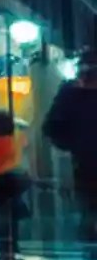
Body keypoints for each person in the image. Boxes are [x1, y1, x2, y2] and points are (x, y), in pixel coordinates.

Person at [44, 47, 97, 240]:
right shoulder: (70, 94)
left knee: (89, 210)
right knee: (89, 210)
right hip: (84, 162)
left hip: (84, 162)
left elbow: (52, 127)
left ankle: (90, 253)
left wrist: (74, 144)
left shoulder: (70, 94)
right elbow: (52, 127)